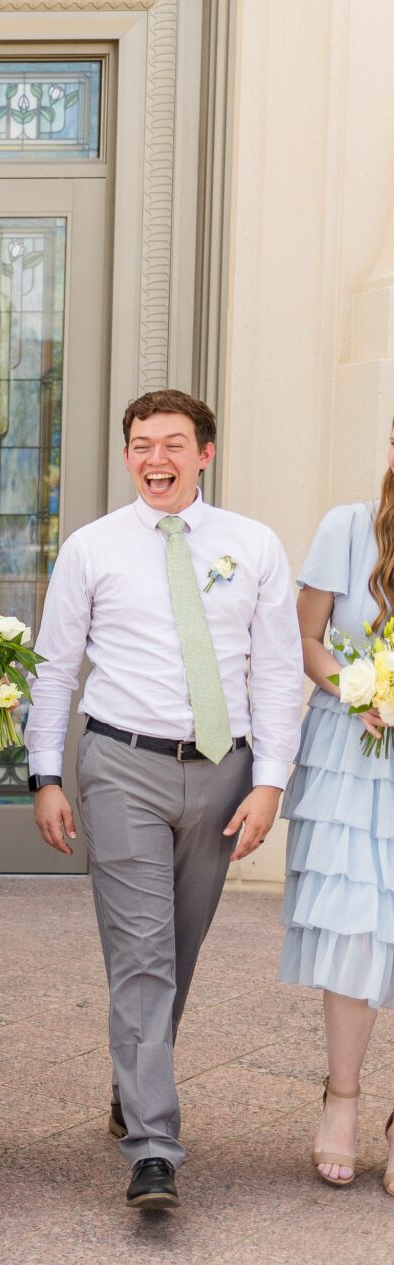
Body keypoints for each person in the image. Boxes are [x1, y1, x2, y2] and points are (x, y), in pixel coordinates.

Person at [27, 389, 301, 1211]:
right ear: (126, 456)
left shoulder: (253, 545)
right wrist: (45, 774)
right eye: (142, 444)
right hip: (122, 765)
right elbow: (54, 665)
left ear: (204, 454)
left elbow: (279, 670)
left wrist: (270, 784)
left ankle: (132, 1081)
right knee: (143, 953)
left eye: (174, 444)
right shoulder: (92, 547)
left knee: (174, 953)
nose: (157, 459)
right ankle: (153, 1147)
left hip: (223, 772)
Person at [281, 416, 394, 1191]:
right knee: (356, 934)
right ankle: (342, 1100)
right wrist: (355, 692)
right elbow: (308, 637)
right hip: (354, 752)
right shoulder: (348, 529)